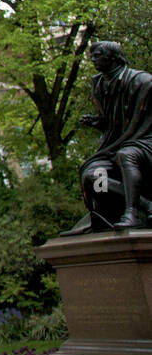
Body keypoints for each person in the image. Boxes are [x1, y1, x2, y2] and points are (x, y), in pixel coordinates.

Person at [62, 40, 152, 234]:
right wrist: (99, 123)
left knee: (126, 155)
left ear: (113, 57)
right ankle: (142, 205)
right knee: (93, 176)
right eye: (91, 56)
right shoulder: (100, 85)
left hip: (145, 141)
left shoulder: (143, 82)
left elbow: (143, 119)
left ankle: (132, 213)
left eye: (98, 55)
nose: (93, 60)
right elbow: (114, 123)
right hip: (116, 145)